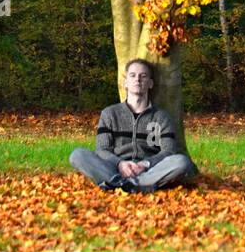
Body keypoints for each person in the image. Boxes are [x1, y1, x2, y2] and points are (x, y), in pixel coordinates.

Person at [69, 59, 196, 192]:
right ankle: (126, 183)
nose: (138, 80)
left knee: (181, 161)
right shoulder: (110, 113)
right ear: (125, 82)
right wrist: (120, 164)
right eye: (133, 75)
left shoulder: (162, 117)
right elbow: (102, 150)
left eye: (143, 76)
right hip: (115, 168)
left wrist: (144, 164)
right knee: (77, 154)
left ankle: (125, 185)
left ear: (150, 83)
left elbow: (168, 151)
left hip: (149, 170)